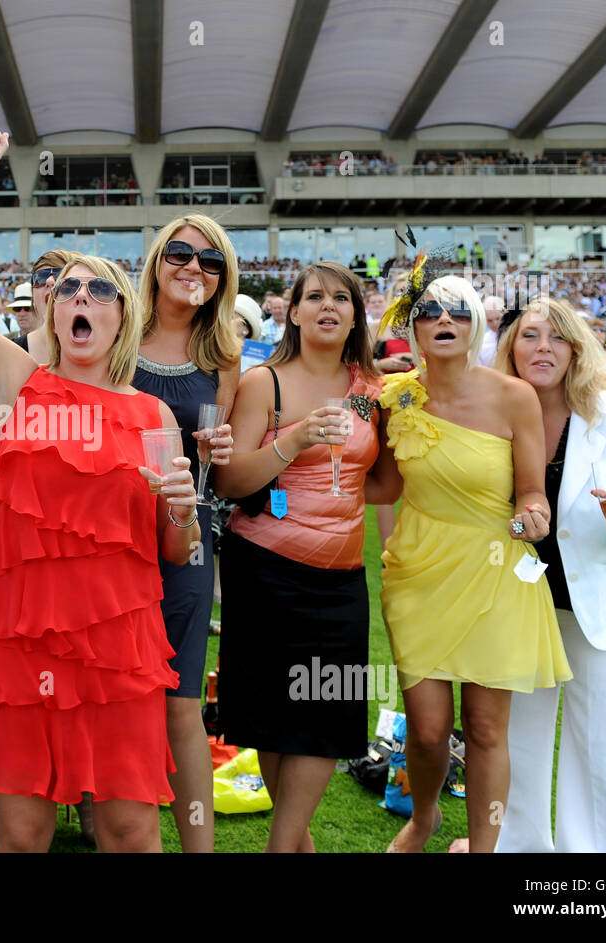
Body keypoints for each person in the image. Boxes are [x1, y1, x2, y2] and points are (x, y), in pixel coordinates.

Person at [0, 127, 200, 853]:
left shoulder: (154, 415)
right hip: (16, 642)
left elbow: (177, 548)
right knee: (22, 830)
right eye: (67, 286)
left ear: (121, 316)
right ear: (51, 312)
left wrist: (183, 510)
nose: (80, 295)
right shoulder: (15, 381)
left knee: (131, 827)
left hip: (120, 647)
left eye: (100, 287)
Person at [377, 270, 570, 854]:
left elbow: (531, 493)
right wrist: (301, 472)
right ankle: (424, 818)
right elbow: (384, 485)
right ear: (412, 325)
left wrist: (532, 514)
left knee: (487, 729)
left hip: (496, 574)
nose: (444, 321)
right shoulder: (397, 396)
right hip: (418, 574)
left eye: (458, 311)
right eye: (430, 311)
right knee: (430, 731)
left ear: (476, 324)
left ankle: (484, 851)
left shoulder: (515, 398)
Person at [216, 261, 389, 852]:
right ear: (292, 310)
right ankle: (293, 844)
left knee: (324, 711)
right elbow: (231, 481)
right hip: (262, 569)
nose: (328, 306)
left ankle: (283, 844)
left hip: (341, 579)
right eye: (314, 296)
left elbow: (386, 481)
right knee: (272, 715)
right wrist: (293, 442)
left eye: (342, 297)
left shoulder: (371, 391)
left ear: (355, 315)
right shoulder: (266, 383)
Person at [493, 297, 606, 853]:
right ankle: (521, 852)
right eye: (529, 335)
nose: (542, 347)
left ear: (577, 348)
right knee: (516, 745)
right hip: (520, 607)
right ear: (510, 347)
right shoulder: (492, 416)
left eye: (557, 337)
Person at [133, 213, 240, 852]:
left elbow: (221, 478)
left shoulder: (222, 358)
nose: (191, 267)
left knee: (180, 703)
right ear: (156, 260)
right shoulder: (118, 333)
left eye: (209, 261)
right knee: (114, 690)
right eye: (178, 252)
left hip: (186, 532)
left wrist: (219, 449)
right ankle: (110, 820)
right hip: (109, 532)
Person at [22, 249, 76, 363]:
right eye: (40, 277)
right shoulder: (14, 350)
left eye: (60, 275)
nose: (50, 281)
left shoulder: (103, 352)